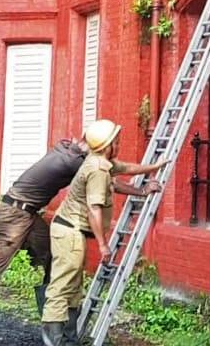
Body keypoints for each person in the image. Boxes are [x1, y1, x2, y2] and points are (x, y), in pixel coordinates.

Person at [40, 120, 168, 346]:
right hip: (70, 231)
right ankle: (54, 341)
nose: (118, 145)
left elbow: (124, 172)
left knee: (73, 287)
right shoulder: (98, 168)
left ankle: (69, 340)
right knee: (62, 288)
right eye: (115, 142)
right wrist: (103, 245)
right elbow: (94, 208)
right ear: (106, 145)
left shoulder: (100, 162)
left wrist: (151, 172)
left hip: (70, 231)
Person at [0, 137, 89, 346]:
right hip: (15, 213)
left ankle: (53, 325)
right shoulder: (72, 161)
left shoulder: (66, 150)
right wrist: (141, 188)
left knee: (51, 257)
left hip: (29, 213)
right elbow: (104, 174)